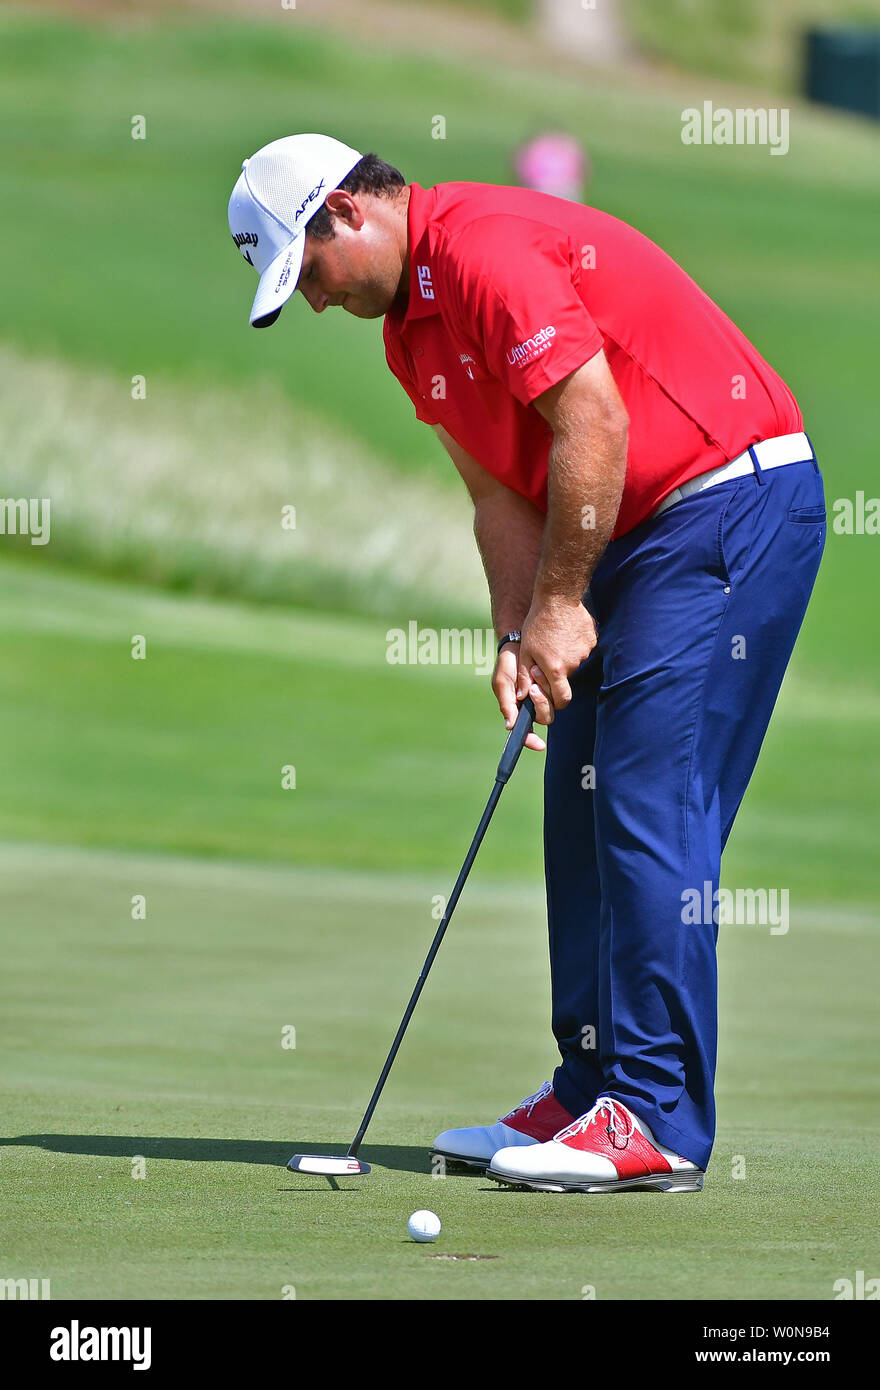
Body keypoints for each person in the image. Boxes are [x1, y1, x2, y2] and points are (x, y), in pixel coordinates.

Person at [228, 134, 825, 1194]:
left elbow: (593, 418)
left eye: (306, 270)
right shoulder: (408, 338)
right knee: (578, 793)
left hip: (728, 503)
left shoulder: (483, 251)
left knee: (645, 799)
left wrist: (560, 602)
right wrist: (517, 632)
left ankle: (656, 1115)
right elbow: (500, 494)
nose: (311, 300)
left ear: (345, 215)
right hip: (636, 535)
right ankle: (591, 1083)